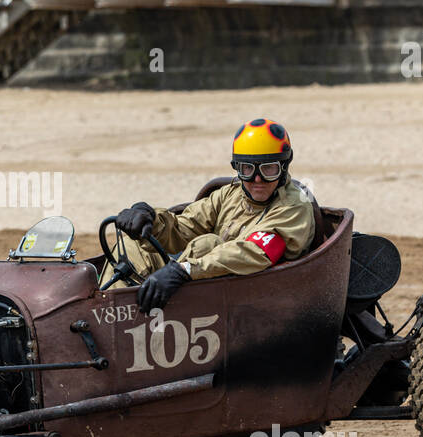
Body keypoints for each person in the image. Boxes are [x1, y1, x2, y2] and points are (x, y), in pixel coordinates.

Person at [105, 120, 317, 312]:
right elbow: (184, 228)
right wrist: (150, 219)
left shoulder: (295, 206)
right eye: (247, 169)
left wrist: (183, 270)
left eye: (269, 169)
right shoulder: (230, 194)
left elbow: (253, 252)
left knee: (207, 244)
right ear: (237, 168)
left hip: (251, 299)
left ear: (284, 166)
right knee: (133, 244)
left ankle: (148, 317)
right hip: (209, 285)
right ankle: (108, 313)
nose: (258, 179)